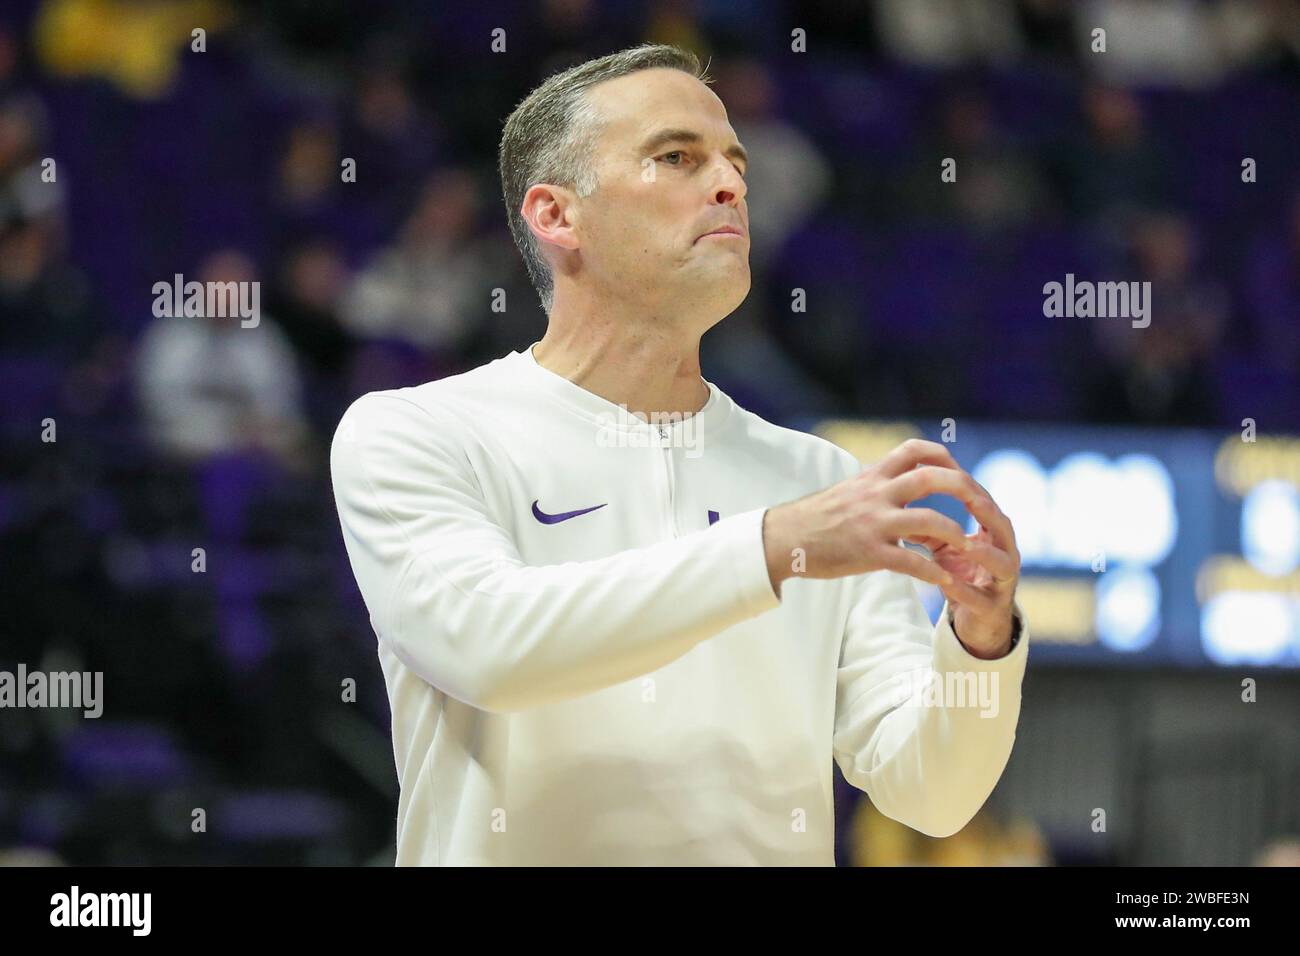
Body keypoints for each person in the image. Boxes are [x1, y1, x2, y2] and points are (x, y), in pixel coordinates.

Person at [330, 43, 1029, 866]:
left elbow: (932, 792)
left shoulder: (819, 482)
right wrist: (770, 548)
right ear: (556, 216)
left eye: (734, 162)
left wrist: (981, 643)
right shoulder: (417, 432)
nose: (732, 184)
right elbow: (488, 648)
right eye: (676, 158)